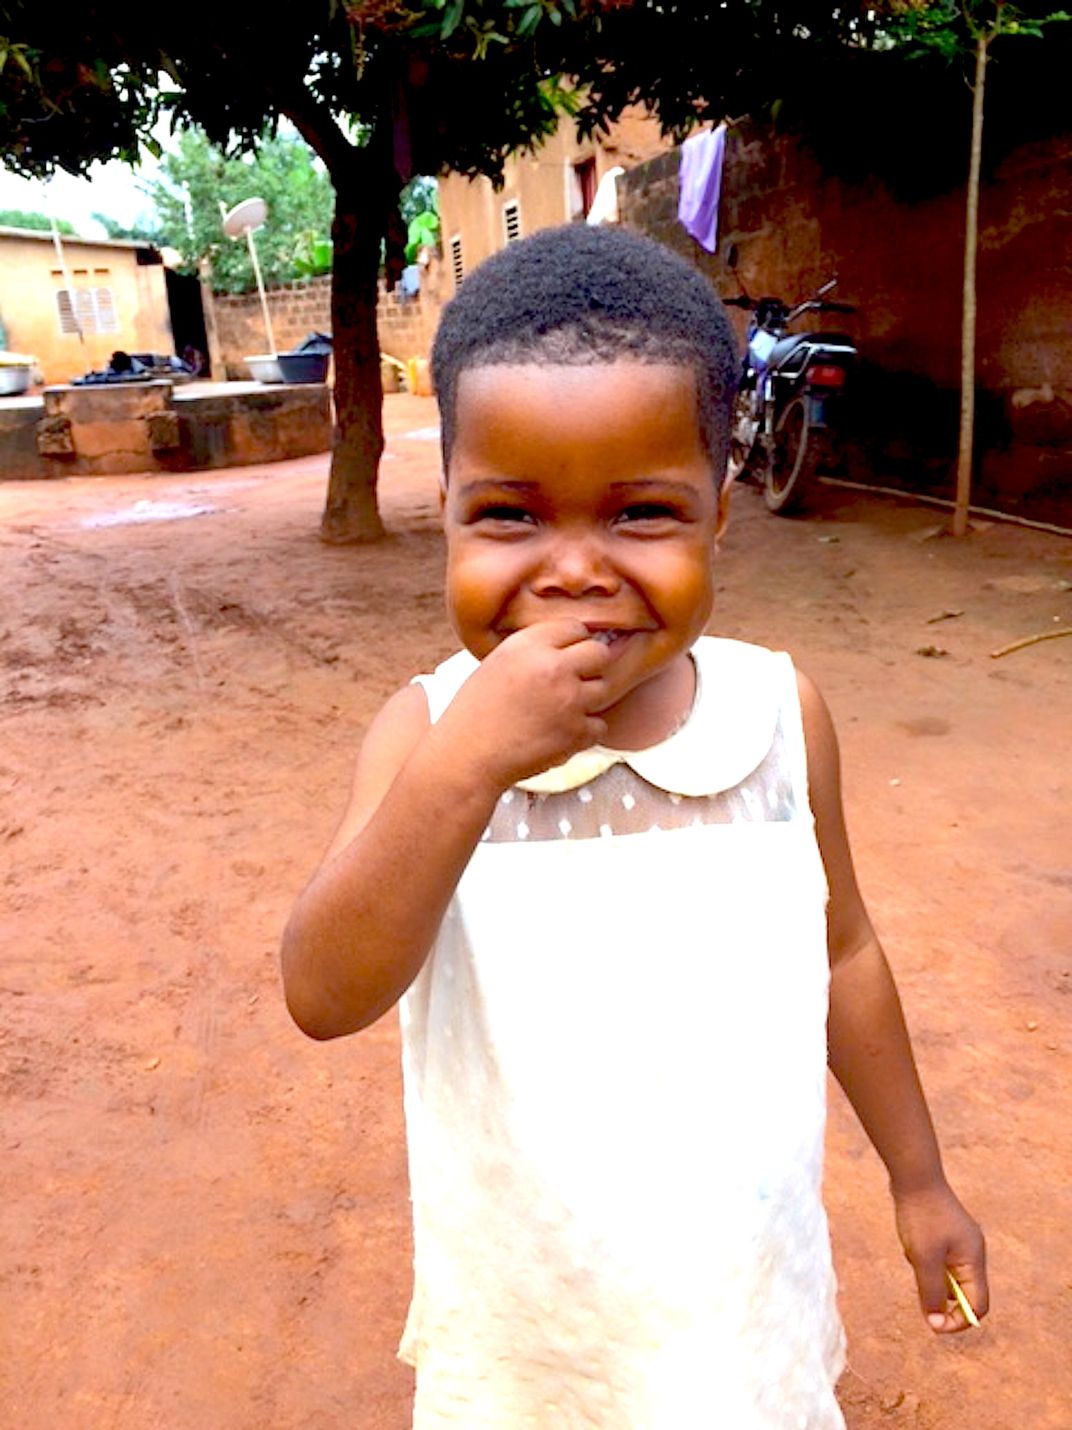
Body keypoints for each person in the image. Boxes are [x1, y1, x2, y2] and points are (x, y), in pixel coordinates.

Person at [281, 224, 988, 1428]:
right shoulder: (425, 734)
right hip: (531, 1336)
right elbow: (322, 991)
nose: (573, 571)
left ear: (718, 517)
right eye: (508, 515)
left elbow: (844, 953)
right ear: (446, 515)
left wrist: (919, 1178)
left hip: (739, 1317)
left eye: (642, 513)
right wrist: (463, 768)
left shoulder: (777, 717)